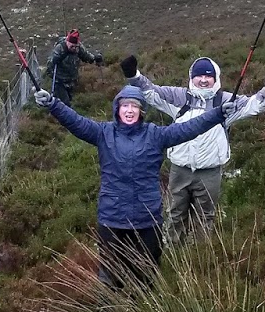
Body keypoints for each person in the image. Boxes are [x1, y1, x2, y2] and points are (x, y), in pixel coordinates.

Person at [32, 83, 238, 290]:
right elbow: (75, 122)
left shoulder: (156, 135)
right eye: (125, 106)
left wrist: (218, 114)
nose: (129, 110)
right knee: (111, 274)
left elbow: (189, 128)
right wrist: (52, 104)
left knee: (147, 274)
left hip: (147, 219)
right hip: (112, 218)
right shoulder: (103, 133)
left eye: (135, 106)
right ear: (117, 109)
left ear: (141, 111)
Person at [121, 54, 265, 244]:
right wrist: (134, 75)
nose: (204, 80)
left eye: (208, 76)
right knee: (175, 213)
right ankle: (174, 250)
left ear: (216, 78)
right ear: (191, 77)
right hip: (180, 169)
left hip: (210, 172)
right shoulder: (178, 97)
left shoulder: (226, 101)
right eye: (199, 76)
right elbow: (151, 92)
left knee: (205, 216)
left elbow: (252, 104)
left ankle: (200, 255)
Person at [45, 29, 105, 105]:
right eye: (72, 46)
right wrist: (55, 63)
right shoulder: (59, 48)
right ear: (67, 42)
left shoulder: (78, 47)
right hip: (59, 82)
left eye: (75, 46)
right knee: (65, 104)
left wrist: (95, 58)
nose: (74, 48)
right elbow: (50, 65)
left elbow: (86, 56)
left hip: (71, 81)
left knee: (69, 102)